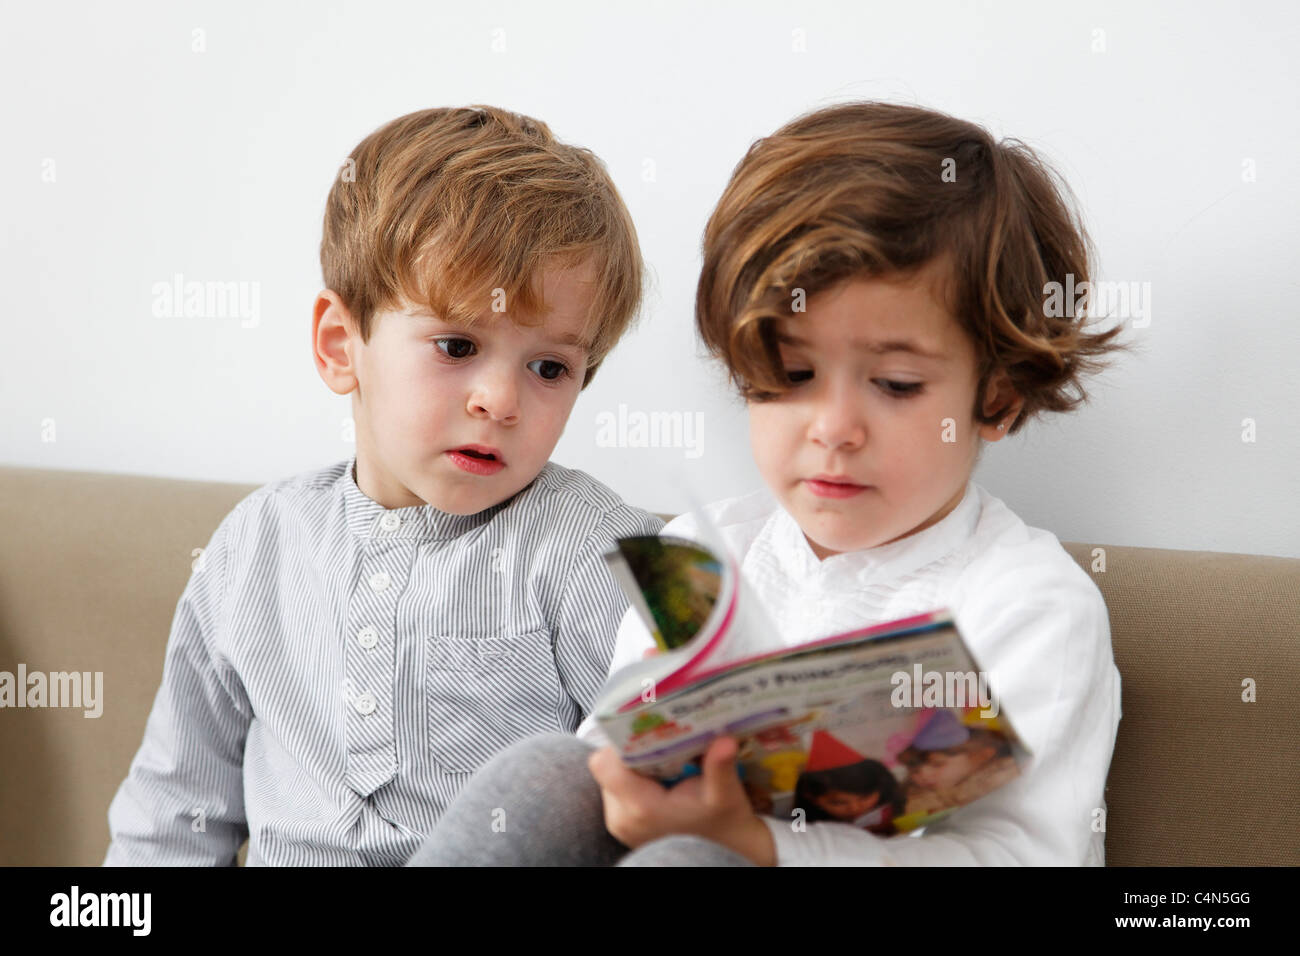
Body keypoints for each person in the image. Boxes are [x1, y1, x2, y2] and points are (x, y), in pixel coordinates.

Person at [405, 99, 1133, 867]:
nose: (834, 428)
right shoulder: (701, 556)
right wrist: (634, 790)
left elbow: (1022, 856)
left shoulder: (1030, 605)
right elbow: (620, 744)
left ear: (998, 397)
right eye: (792, 375)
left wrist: (762, 847)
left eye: (894, 384)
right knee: (548, 773)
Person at [103, 105, 663, 865]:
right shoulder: (254, 546)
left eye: (549, 367)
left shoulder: (589, 547)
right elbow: (173, 810)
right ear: (342, 348)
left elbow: (673, 769)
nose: (500, 401)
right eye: (457, 344)